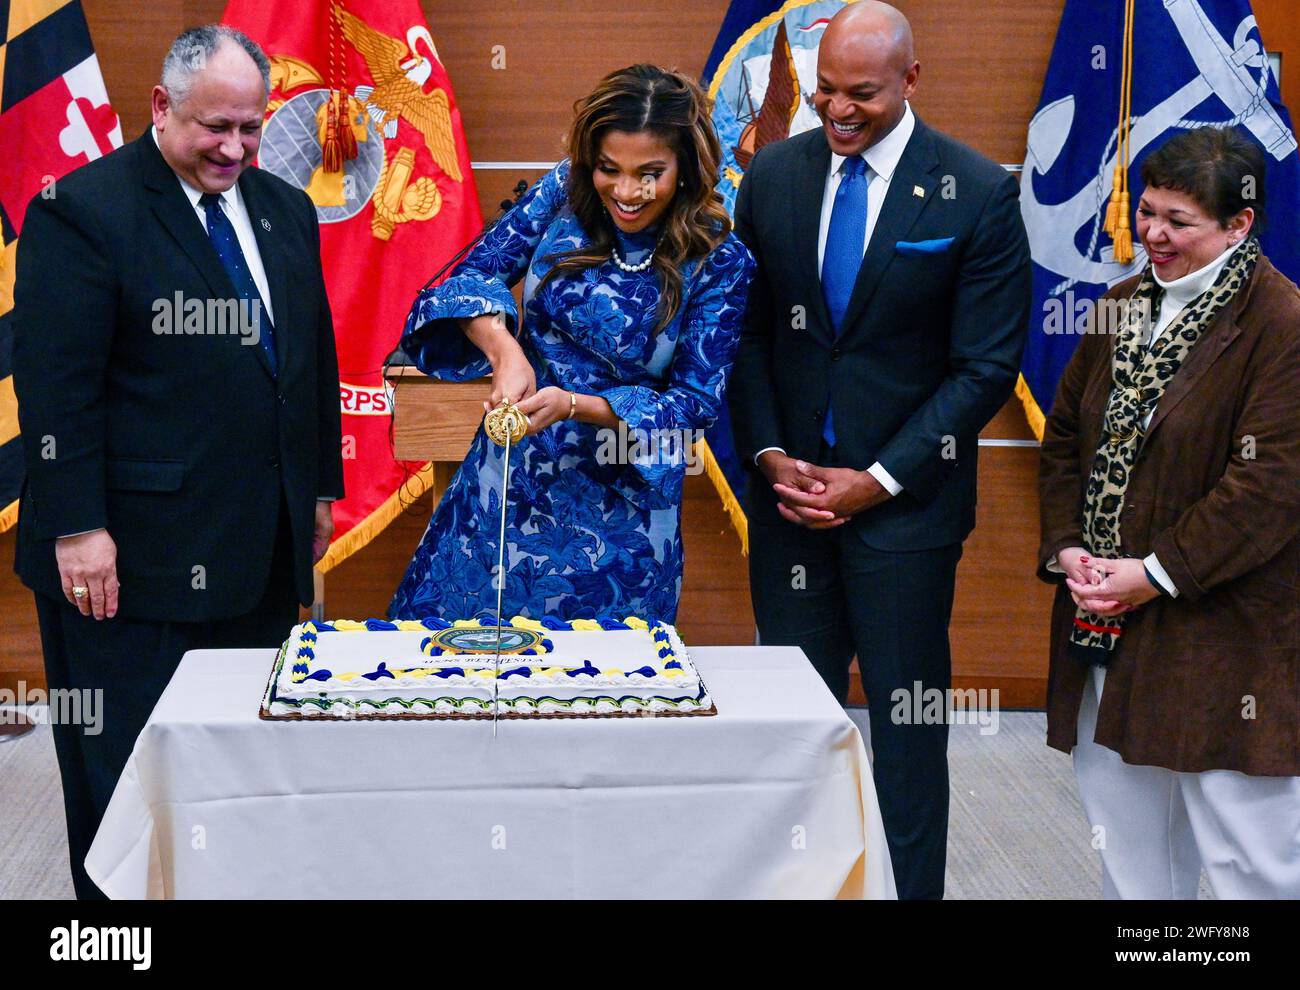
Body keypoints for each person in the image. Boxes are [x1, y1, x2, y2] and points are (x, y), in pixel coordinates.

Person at [12, 26, 344, 899]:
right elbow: (56, 391)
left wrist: (316, 486)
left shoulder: (285, 206)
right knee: (127, 779)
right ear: (162, 108)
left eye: (250, 127)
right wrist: (80, 527)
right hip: (127, 561)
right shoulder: (80, 211)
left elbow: (309, 356)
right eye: (214, 128)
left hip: (259, 548)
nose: (235, 148)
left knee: (240, 765)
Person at [727, 1, 1031, 899]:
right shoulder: (773, 175)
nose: (837, 110)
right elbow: (743, 336)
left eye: (860, 93)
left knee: (904, 730)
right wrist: (770, 453)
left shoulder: (974, 191)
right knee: (796, 728)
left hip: (906, 515)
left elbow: (982, 369)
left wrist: (878, 478)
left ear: (911, 80)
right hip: (789, 510)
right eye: (824, 90)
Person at [389, 64, 753, 623]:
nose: (627, 192)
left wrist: (573, 405)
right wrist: (504, 351)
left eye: (650, 173)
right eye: (610, 169)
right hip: (506, 491)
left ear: (686, 167)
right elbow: (463, 281)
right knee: (450, 672)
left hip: (621, 523)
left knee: (597, 691)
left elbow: (694, 406)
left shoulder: (721, 261)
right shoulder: (564, 191)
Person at [1037, 127, 1300, 899]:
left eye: (1178, 222)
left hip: (1225, 638)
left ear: (1238, 225)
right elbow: (1064, 442)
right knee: (1132, 852)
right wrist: (1069, 549)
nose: (1151, 233)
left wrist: (1153, 572)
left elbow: (1272, 486)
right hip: (1105, 624)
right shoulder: (1122, 305)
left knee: (1246, 859)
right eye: (1147, 211)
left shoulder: (1282, 324)